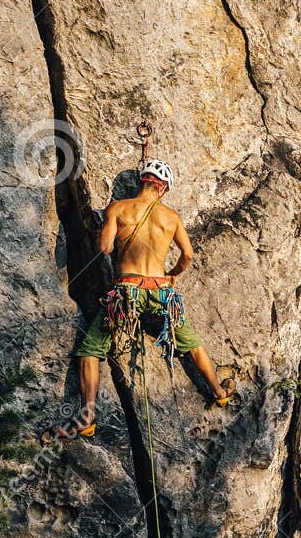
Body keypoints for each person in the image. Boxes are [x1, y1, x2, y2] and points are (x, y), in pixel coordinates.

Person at [73, 159, 229, 436]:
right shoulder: (171, 217)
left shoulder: (118, 208)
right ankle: (218, 391)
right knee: (190, 342)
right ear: (163, 189)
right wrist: (172, 274)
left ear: (142, 182)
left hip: (127, 292)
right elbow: (188, 255)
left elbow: (105, 247)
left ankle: (87, 418)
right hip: (160, 291)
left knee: (90, 350)